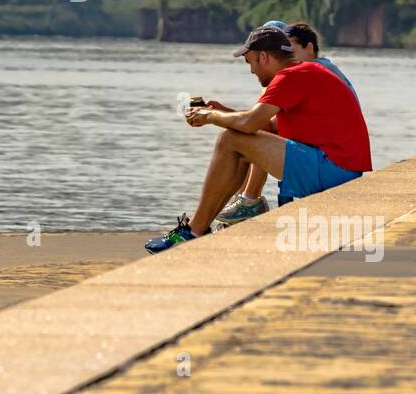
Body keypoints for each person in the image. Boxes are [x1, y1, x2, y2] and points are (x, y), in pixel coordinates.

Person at [144, 24, 372, 253]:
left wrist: (210, 115)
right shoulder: (301, 72)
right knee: (237, 139)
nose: (252, 71)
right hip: (337, 167)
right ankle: (220, 217)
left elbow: (250, 124)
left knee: (230, 139)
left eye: (250, 62)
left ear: (264, 57)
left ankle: (195, 230)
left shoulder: (292, 76)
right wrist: (226, 111)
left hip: (334, 170)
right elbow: (269, 127)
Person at [216, 20, 356, 226]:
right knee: (246, 140)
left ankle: (248, 201)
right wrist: (227, 115)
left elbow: (262, 124)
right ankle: (242, 204)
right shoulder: (313, 69)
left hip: (331, 158)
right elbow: (261, 121)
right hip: (326, 151)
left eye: (290, 49)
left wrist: (213, 117)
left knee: (251, 139)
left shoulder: (304, 72)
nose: (286, 55)